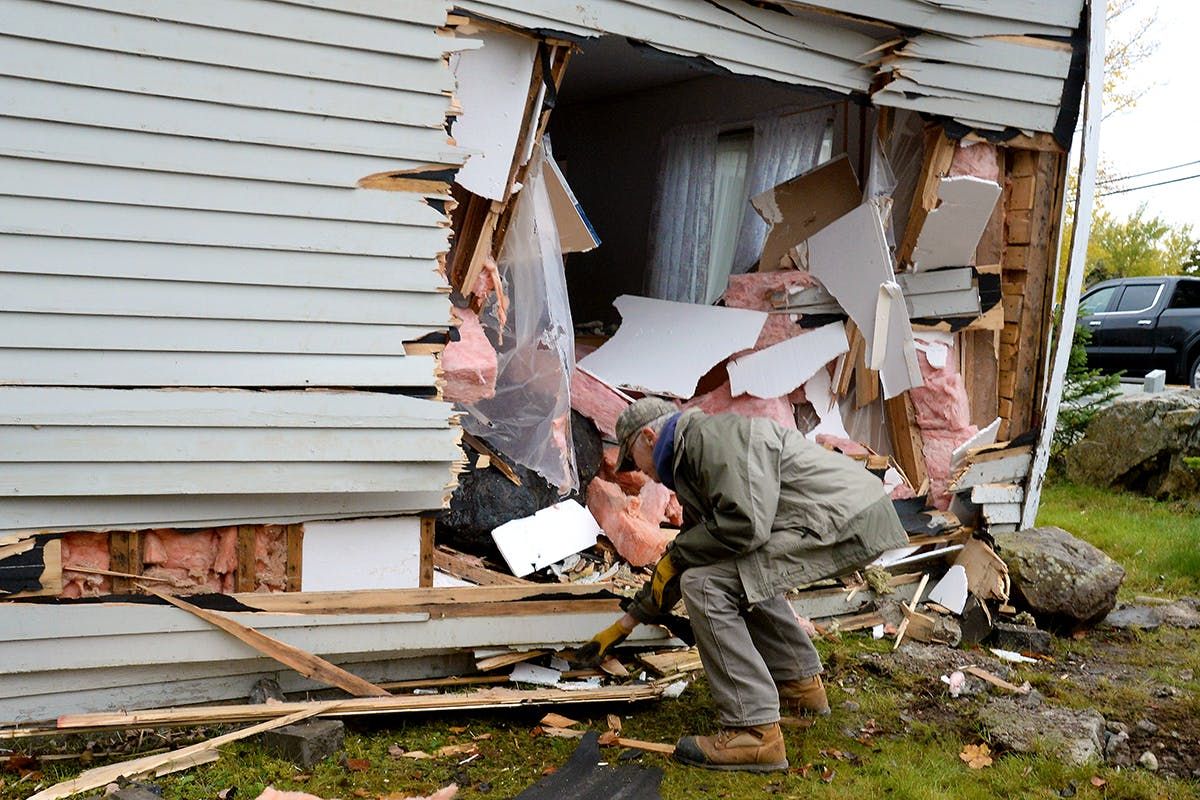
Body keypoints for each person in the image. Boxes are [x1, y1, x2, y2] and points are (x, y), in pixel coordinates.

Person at [583, 397, 909, 772]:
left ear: (647, 437)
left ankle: (752, 731)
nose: (637, 473)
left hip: (845, 518)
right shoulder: (695, 453)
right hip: (848, 513)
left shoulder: (709, 442)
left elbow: (743, 527)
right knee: (732, 573)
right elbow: (692, 550)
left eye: (630, 461)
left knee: (706, 586)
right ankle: (799, 685)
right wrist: (628, 621)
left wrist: (679, 555)